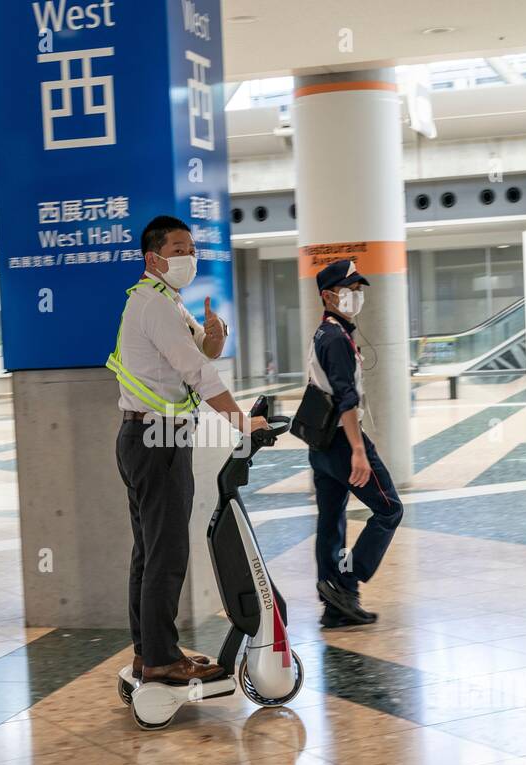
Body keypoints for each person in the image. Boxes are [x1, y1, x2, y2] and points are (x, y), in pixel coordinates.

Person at [108, 215, 269, 685]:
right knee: (167, 553)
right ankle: (160, 658)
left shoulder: (165, 302)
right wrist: (242, 422)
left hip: (148, 437)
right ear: (152, 257)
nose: (189, 257)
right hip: (157, 441)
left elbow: (201, 355)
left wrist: (214, 338)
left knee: (149, 552)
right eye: (178, 249)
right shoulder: (154, 305)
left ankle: (149, 652)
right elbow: (198, 374)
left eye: (191, 248)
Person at [307, 259, 404, 628]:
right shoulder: (335, 339)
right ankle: (347, 582)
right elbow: (346, 398)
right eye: (350, 290)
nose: (356, 296)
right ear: (329, 296)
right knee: (389, 510)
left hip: (322, 445)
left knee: (331, 519)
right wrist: (359, 452)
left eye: (359, 290)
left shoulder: (325, 333)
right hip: (344, 443)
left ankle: (335, 604)